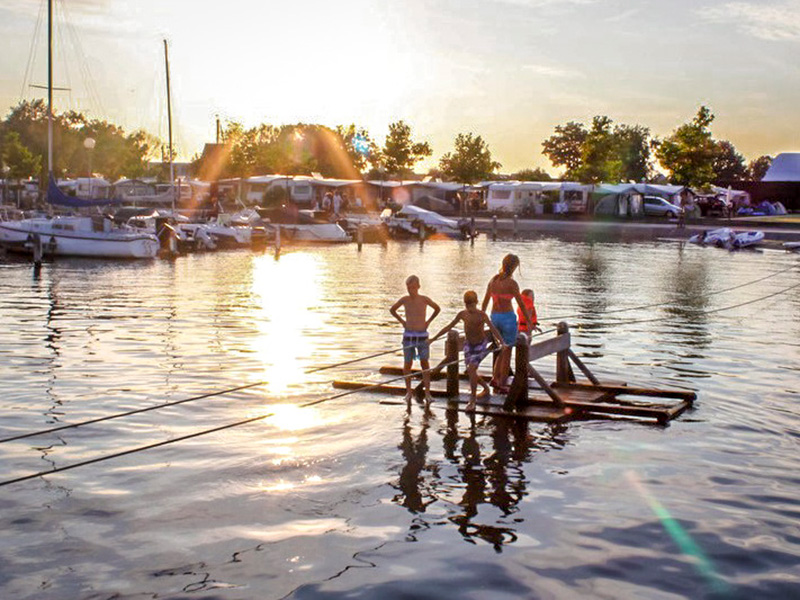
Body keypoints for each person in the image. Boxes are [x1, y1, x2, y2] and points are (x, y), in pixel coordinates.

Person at [430, 290, 505, 411]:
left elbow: (493, 329)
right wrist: (433, 339)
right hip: (469, 345)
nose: (470, 308)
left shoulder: (482, 315)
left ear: (476, 303)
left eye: (472, 305)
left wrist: (502, 341)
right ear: (465, 304)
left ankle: (472, 400)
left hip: (480, 345)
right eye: (468, 305)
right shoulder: (462, 314)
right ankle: (485, 388)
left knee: (471, 369)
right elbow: (449, 327)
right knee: (471, 371)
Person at [481, 253, 532, 394]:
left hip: (494, 317)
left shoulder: (493, 281)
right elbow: (521, 304)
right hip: (508, 319)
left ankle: (494, 378)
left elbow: (485, 301)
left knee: (500, 349)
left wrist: (482, 318)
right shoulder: (512, 283)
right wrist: (528, 320)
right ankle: (502, 383)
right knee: (507, 351)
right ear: (514, 267)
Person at [390, 275, 441, 405]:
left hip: (422, 335)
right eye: (408, 287)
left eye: (413, 287)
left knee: (425, 363)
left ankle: (428, 393)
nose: (411, 290)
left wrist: (428, 321)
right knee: (408, 363)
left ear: (418, 287)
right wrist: (402, 321)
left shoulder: (424, 299)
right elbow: (392, 309)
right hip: (409, 336)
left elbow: (437, 308)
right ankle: (408, 391)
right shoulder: (405, 299)